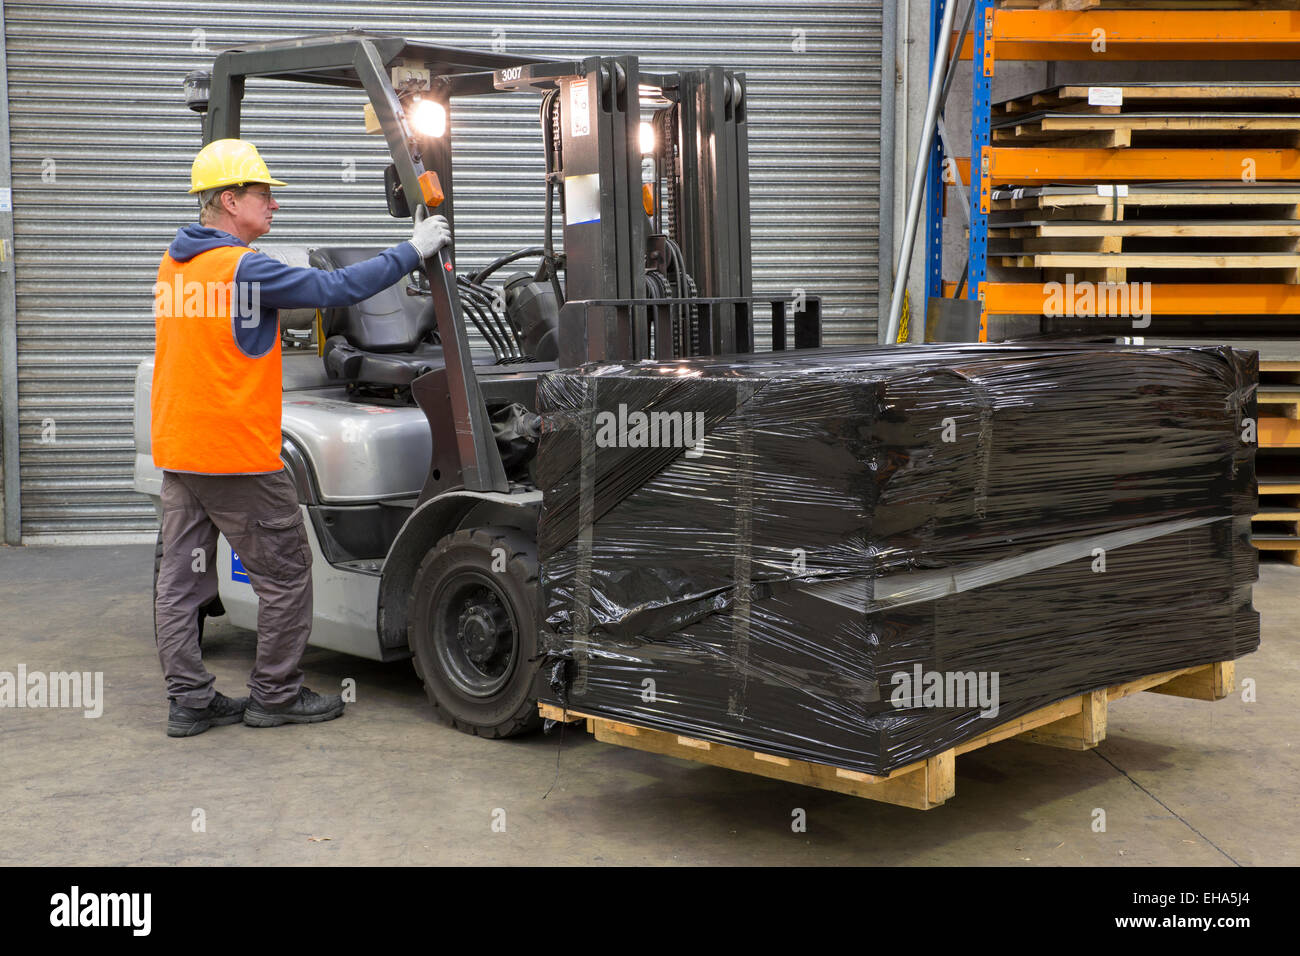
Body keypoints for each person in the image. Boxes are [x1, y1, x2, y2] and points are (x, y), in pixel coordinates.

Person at [153, 138, 450, 737]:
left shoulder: (175, 263)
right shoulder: (243, 267)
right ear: (230, 200)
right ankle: (276, 695)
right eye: (264, 196)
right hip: (237, 455)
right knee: (286, 574)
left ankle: (189, 701)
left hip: (182, 450)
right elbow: (334, 290)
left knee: (181, 581)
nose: (274, 207)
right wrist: (411, 251)